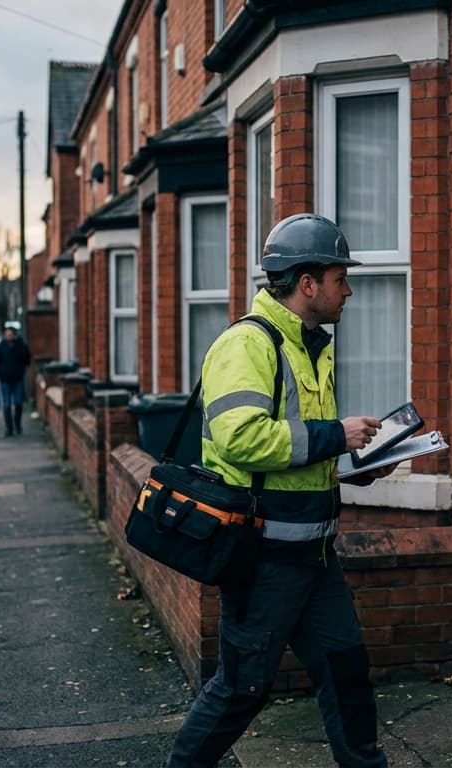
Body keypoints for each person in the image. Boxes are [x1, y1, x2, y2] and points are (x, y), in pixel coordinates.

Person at [165, 213, 395, 768]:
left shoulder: (312, 346)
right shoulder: (248, 344)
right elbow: (241, 438)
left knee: (347, 677)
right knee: (240, 689)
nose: (348, 290)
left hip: (315, 556)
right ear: (307, 283)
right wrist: (337, 435)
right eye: (340, 278)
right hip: (262, 559)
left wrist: (352, 469)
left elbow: (292, 457)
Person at [0, 326, 32, 436]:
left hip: (17, 379)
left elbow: (27, 360)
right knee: (7, 405)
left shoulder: (21, 346)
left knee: (18, 403)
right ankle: (9, 428)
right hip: (5, 380)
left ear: (14, 335)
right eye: (6, 334)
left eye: (10, 334)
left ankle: (17, 424)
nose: (8, 336)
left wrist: (22, 349)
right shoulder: (1, 347)